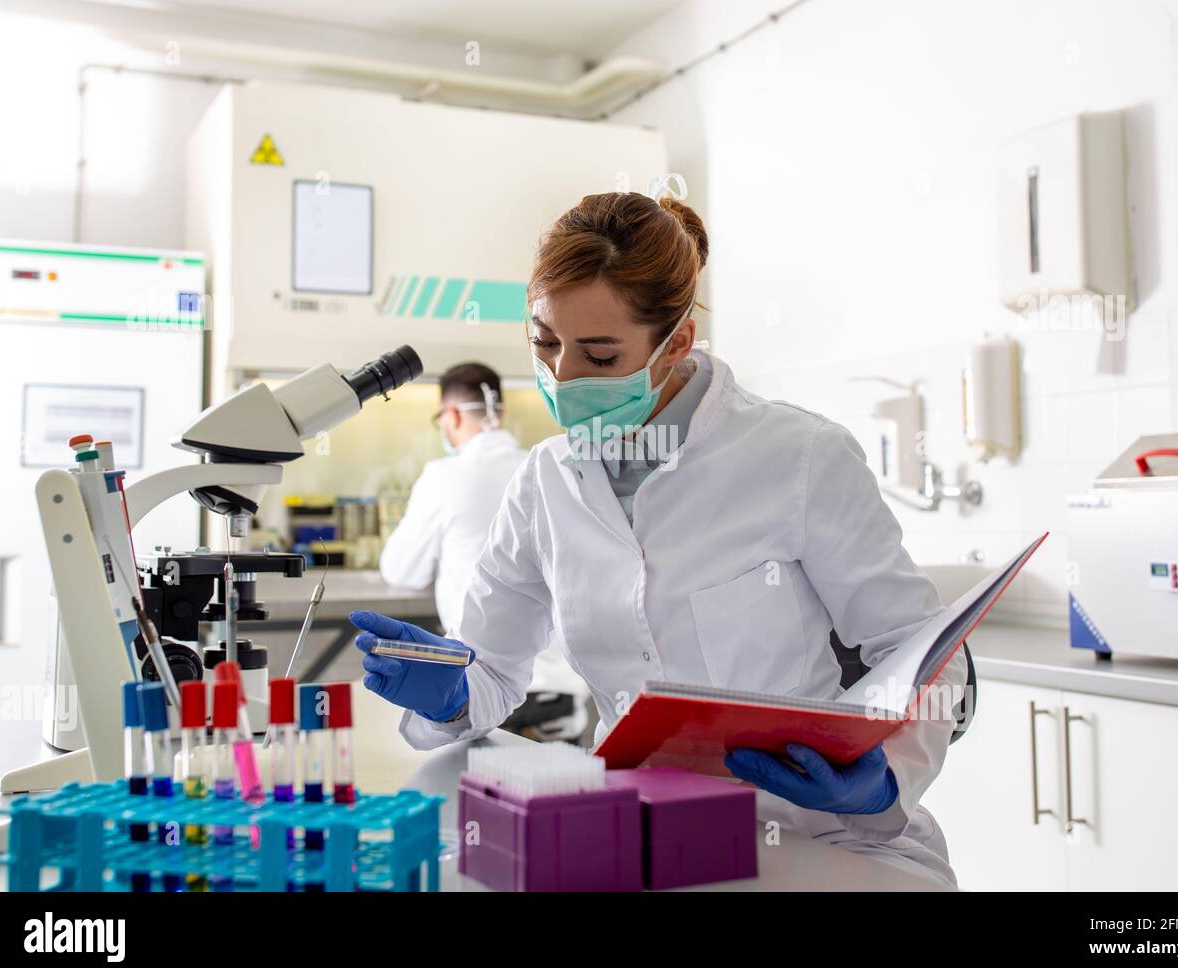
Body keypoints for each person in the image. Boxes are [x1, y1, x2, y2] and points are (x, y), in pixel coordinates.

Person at [352, 187, 967, 886]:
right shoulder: (544, 482)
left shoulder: (797, 457)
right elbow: (492, 671)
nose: (563, 377)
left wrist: (883, 777)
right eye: (545, 343)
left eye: (600, 355)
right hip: (643, 837)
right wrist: (453, 693)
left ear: (676, 343)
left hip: (821, 838)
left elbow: (918, 652)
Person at [378, 362, 586, 739]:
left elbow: (401, 570)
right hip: (562, 697)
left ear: (451, 415)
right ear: (501, 413)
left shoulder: (444, 477)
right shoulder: (548, 467)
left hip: (486, 700)